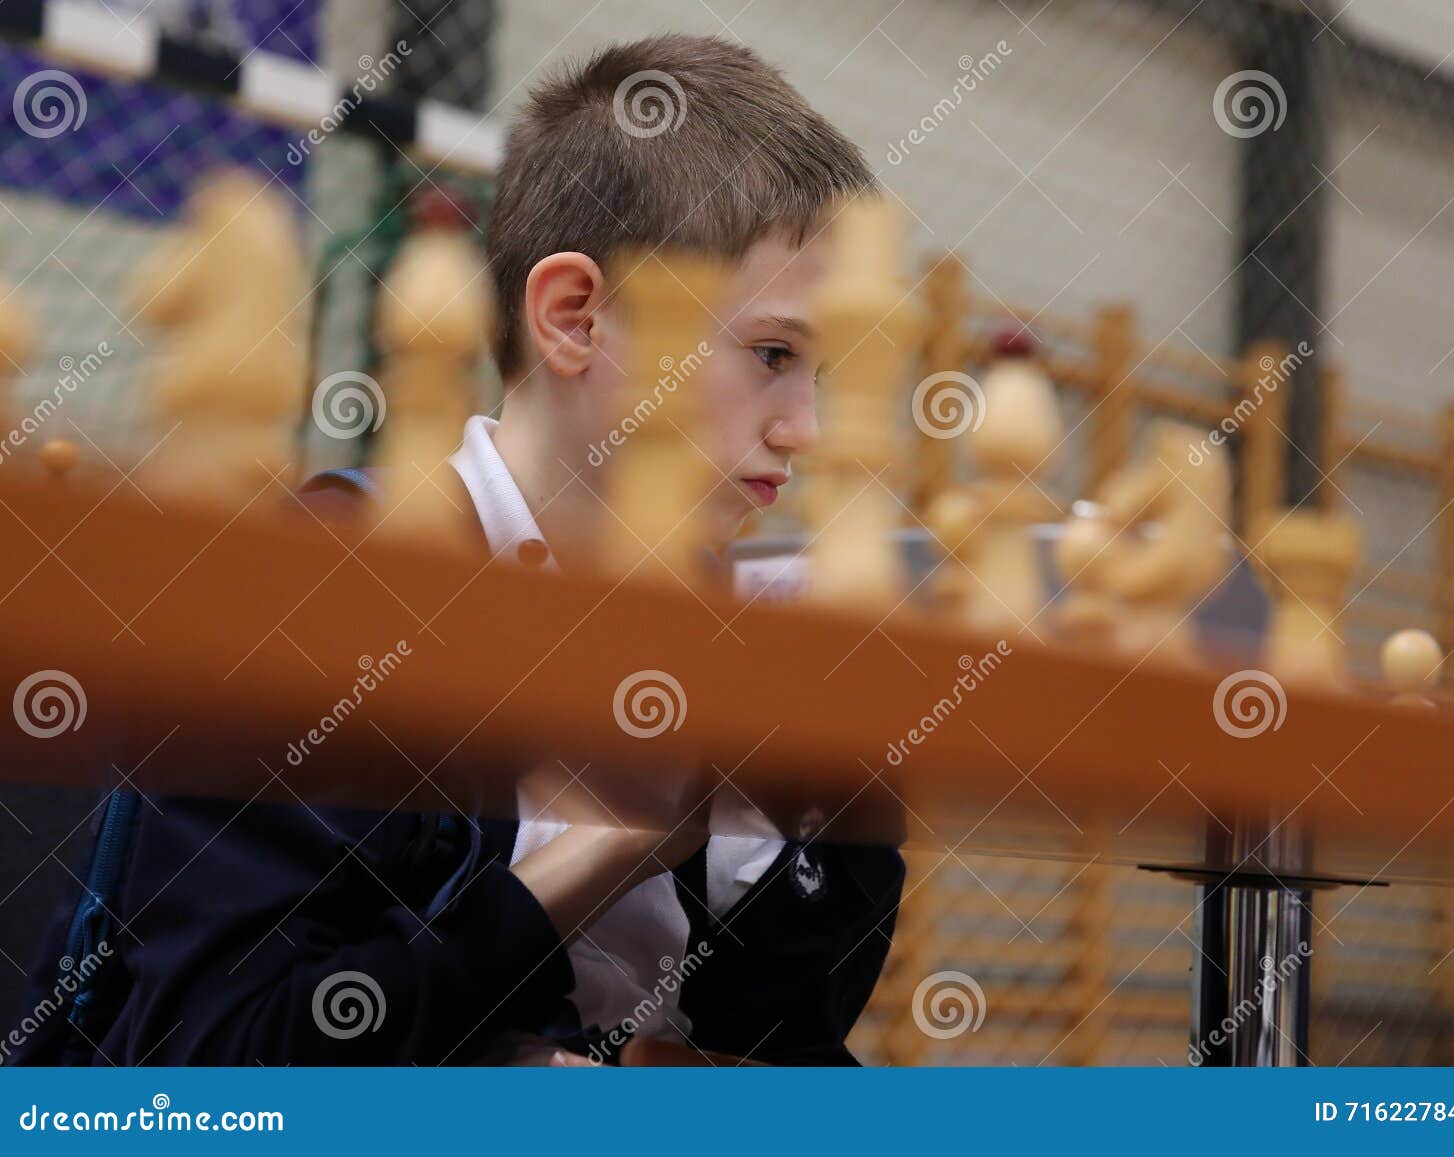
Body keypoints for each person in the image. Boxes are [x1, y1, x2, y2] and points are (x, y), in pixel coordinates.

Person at [7, 33, 902, 1067]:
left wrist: (840, 828)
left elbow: (778, 1049)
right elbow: (215, 1066)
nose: (809, 427)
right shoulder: (333, 585)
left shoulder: (731, 632)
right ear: (573, 317)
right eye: (773, 355)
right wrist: (601, 853)